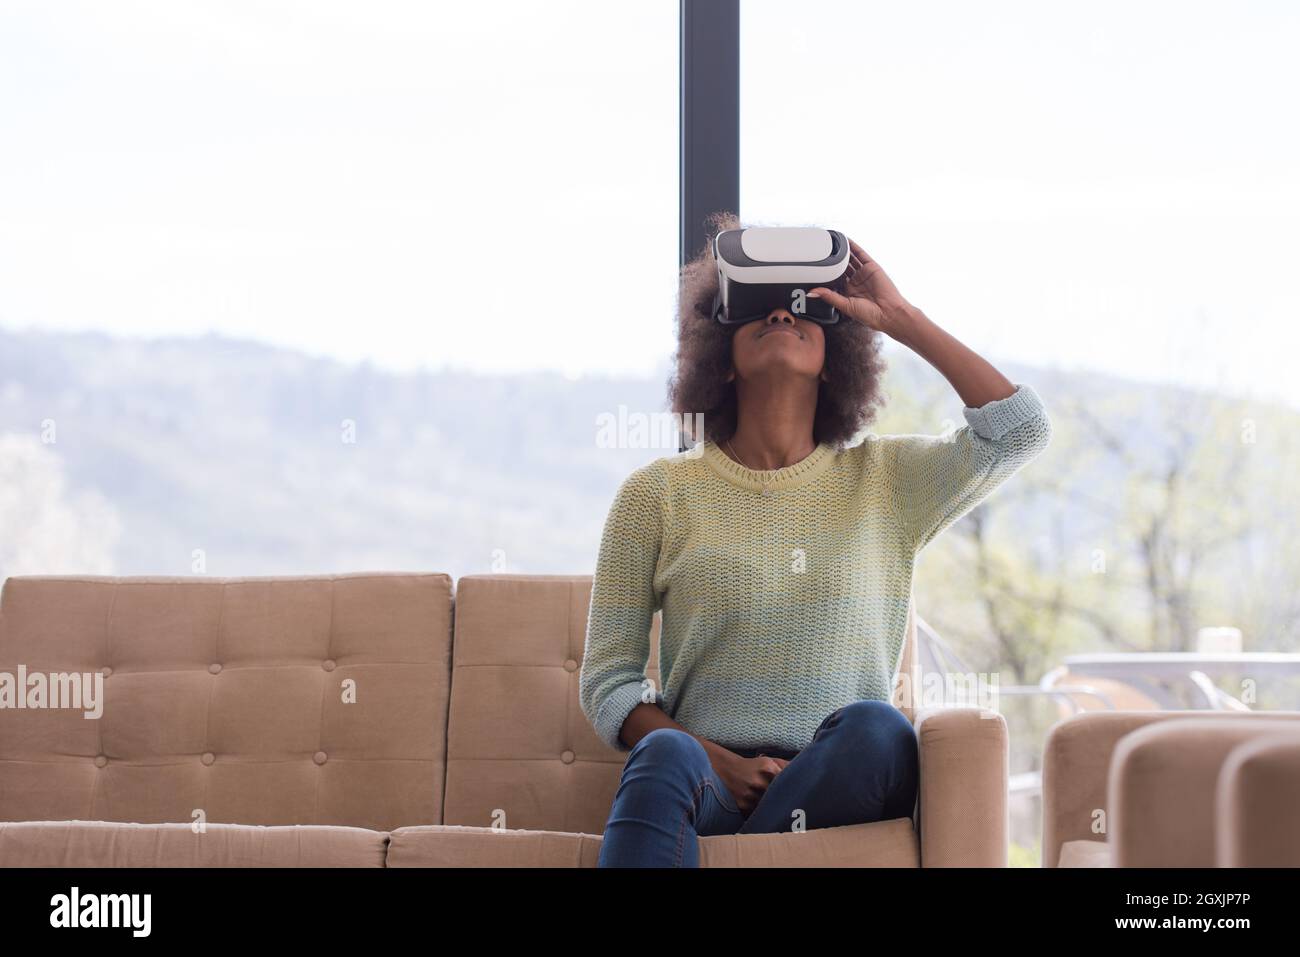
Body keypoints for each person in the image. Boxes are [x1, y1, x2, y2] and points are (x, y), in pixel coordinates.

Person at [579, 211, 1052, 867]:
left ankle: (738, 853)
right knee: (665, 751)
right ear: (721, 354)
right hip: (707, 781)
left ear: (838, 360)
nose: (781, 314)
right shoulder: (655, 494)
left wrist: (900, 316)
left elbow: (1019, 430)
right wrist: (720, 762)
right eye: (757, 309)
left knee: (881, 728)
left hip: (841, 775)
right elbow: (609, 684)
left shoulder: (886, 481)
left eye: (803, 307)